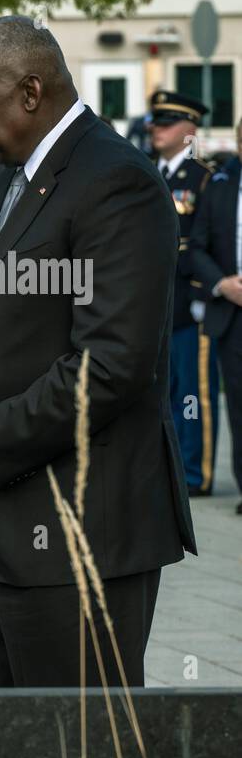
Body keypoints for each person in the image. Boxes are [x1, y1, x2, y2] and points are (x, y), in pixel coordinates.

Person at [0, 16, 195, 688]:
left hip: (79, 535)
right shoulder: (6, 175)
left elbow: (111, 366)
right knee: (27, 755)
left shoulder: (117, 182)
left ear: (30, 92)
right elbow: (1, 325)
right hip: (3, 533)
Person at [148, 90, 219, 497]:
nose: (158, 129)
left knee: (192, 394)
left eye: (168, 123)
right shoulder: (145, 169)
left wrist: (199, 293)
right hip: (156, 301)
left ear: (189, 129)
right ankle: (166, 466)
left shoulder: (204, 178)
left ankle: (195, 472)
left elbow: (205, 239)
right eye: (156, 122)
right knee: (160, 390)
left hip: (188, 301)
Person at [188, 116, 242, 517]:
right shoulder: (220, 185)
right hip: (232, 310)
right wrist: (223, 284)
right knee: (238, 404)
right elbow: (197, 246)